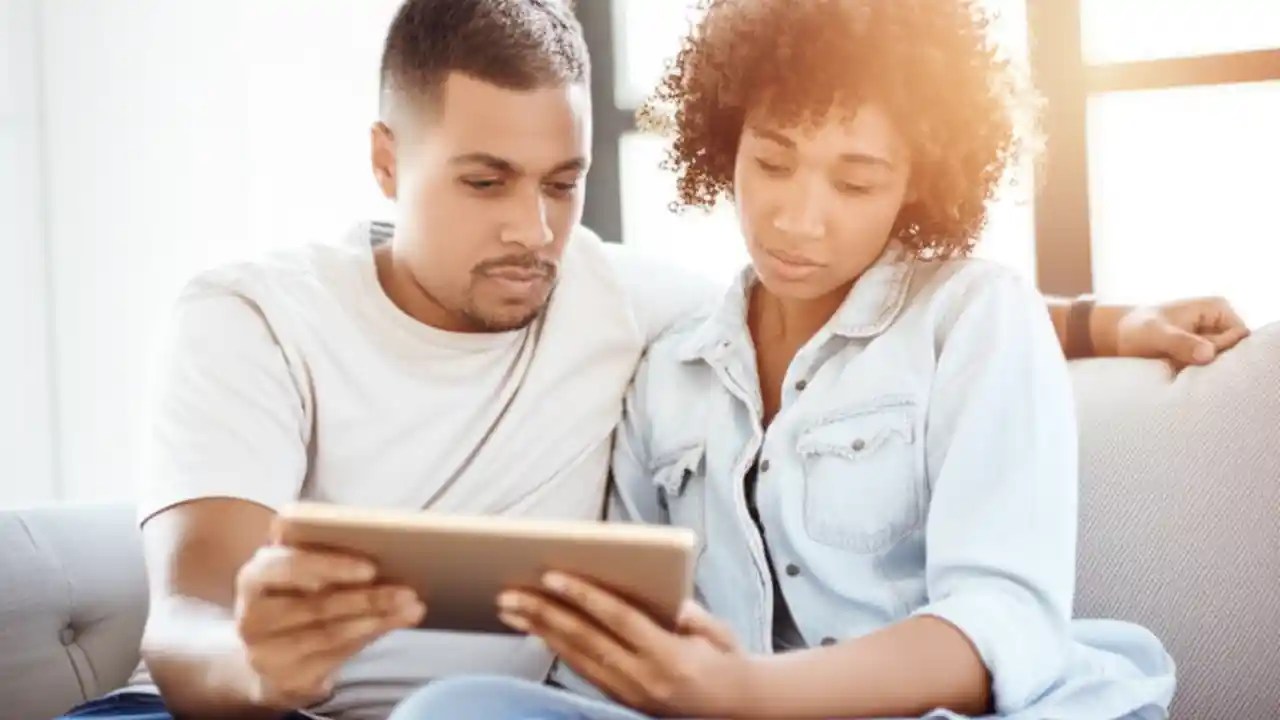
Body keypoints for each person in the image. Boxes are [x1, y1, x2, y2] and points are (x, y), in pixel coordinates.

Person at [57, 1, 1247, 719]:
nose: (532, 233)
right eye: (769, 163)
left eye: (562, 184)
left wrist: (1105, 321)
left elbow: (996, 597)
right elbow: (196, 613)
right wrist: (257, 666)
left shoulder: (949, 316)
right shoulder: (667, 346)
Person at [387, 1, 1190, 719]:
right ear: (726, 140)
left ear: (917, 183)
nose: (800, 220)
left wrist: (748, 693)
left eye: (856, 183)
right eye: (772, 163)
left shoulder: (975, 317)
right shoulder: (670, 367)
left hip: (923, 711)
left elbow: (1002, 625)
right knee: (454, 709)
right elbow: (625, 630)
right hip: (714, 710)